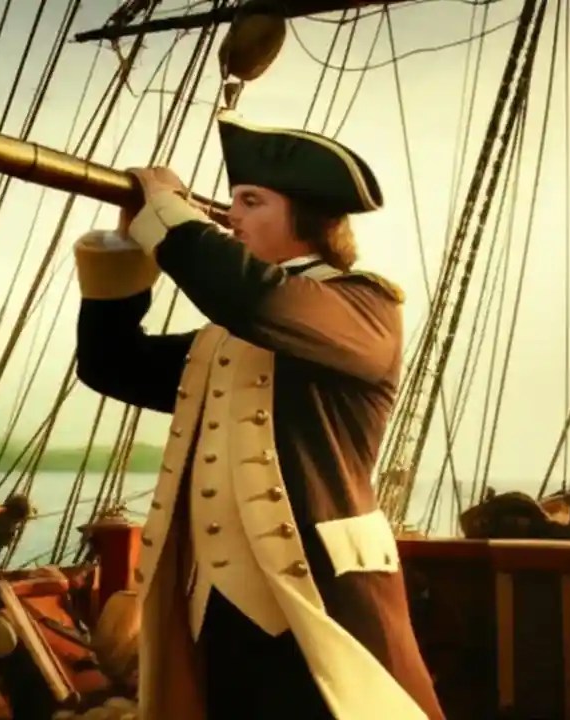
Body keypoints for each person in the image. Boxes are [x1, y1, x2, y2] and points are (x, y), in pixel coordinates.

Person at [72, 110, 445, 720]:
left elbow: (256, 297)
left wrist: (168, 214)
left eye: (251, 200)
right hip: (214, 610)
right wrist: (125, 243)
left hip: (324, 598)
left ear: (309, 219)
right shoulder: (226, 334)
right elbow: (111, 363)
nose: (232, 214)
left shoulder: (363, 307)